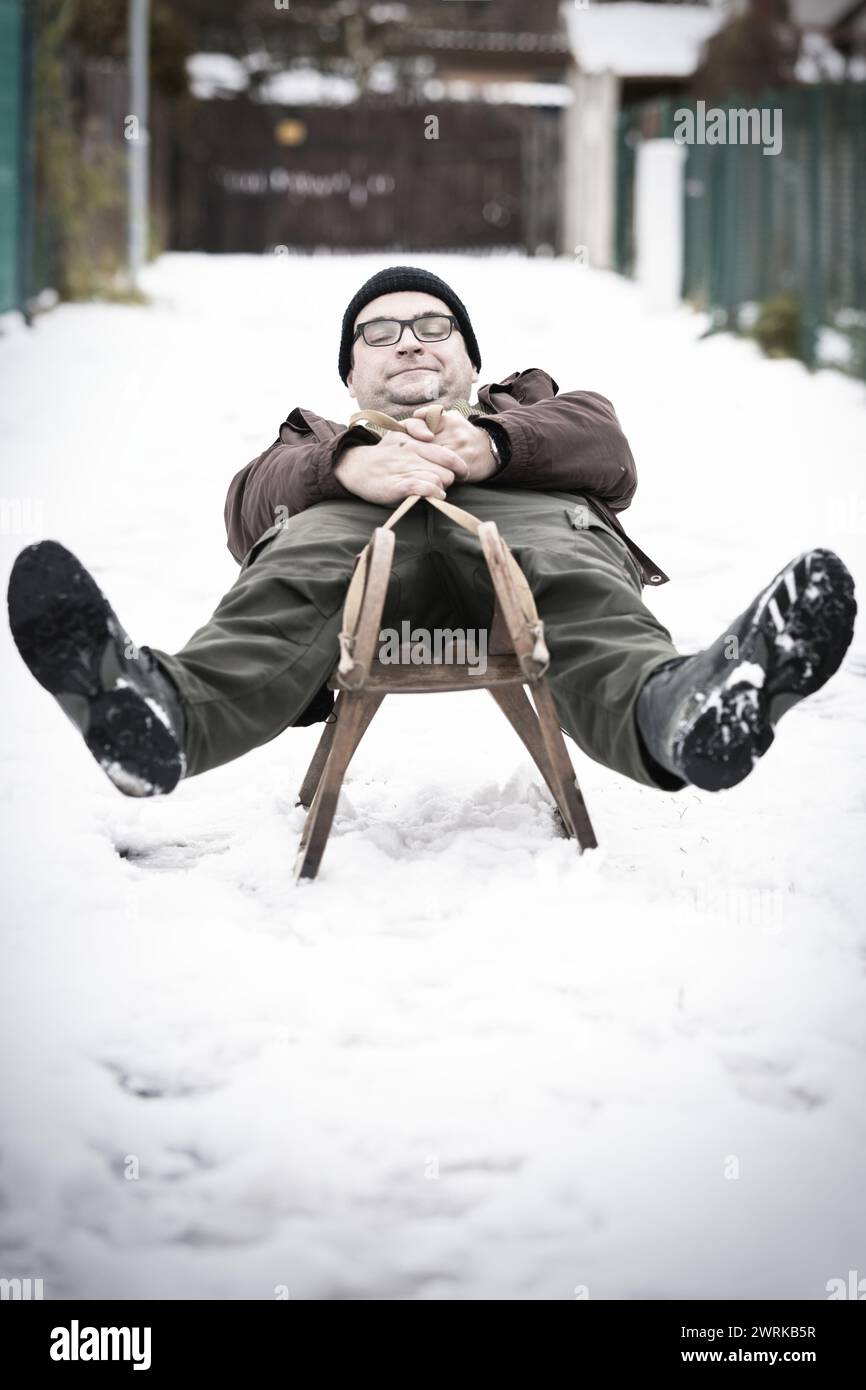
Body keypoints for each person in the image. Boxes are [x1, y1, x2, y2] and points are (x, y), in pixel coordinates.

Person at [7, 266, 857, 803]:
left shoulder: (531, 406)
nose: (407, 340)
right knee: (291, 569)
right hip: (362, 573)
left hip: (517, 540)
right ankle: (160, 712)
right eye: (378, 333)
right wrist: (342, 468)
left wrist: (495, 445)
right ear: (351, 373)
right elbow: (242, 511)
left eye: (432, 327)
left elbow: (611, 455)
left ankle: (683, 711)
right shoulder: (313, 438)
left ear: (470, 359)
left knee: (575, 573)